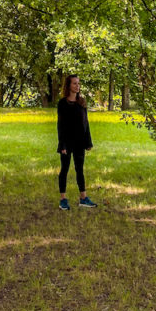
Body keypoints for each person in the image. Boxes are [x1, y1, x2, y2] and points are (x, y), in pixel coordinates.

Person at [57, 74, 96, 210]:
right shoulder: (62, 103)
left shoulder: (82, 102)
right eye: (74, 83)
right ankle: (63, 199)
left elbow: (86, 123)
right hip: (67, 143)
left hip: (80, 142)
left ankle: (83, 198)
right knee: (64, 169)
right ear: (68, 86)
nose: (77, 86)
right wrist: (62, 144)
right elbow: (60, 126)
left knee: (80, 170)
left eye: (78, 83)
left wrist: (88, 142)